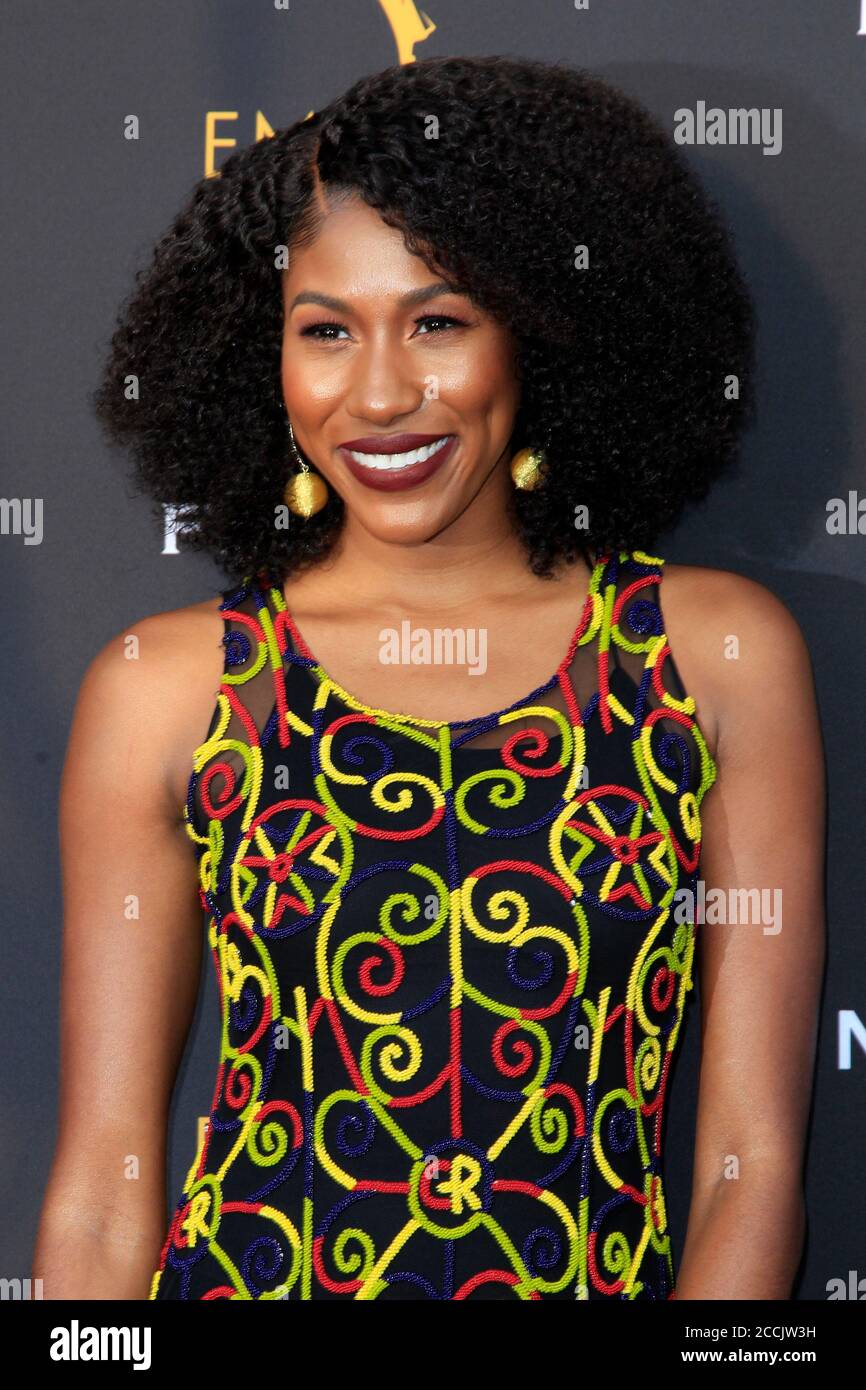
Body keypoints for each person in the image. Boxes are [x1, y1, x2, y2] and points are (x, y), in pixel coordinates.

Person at [34, 55, 825, 1301]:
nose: (382, 393)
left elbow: (747, 1162)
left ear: (542, 334)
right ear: (265, 355)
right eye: (325, 331)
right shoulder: (173, 688)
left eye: (438, 321)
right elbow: (102, 1186)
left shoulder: (709, 655)